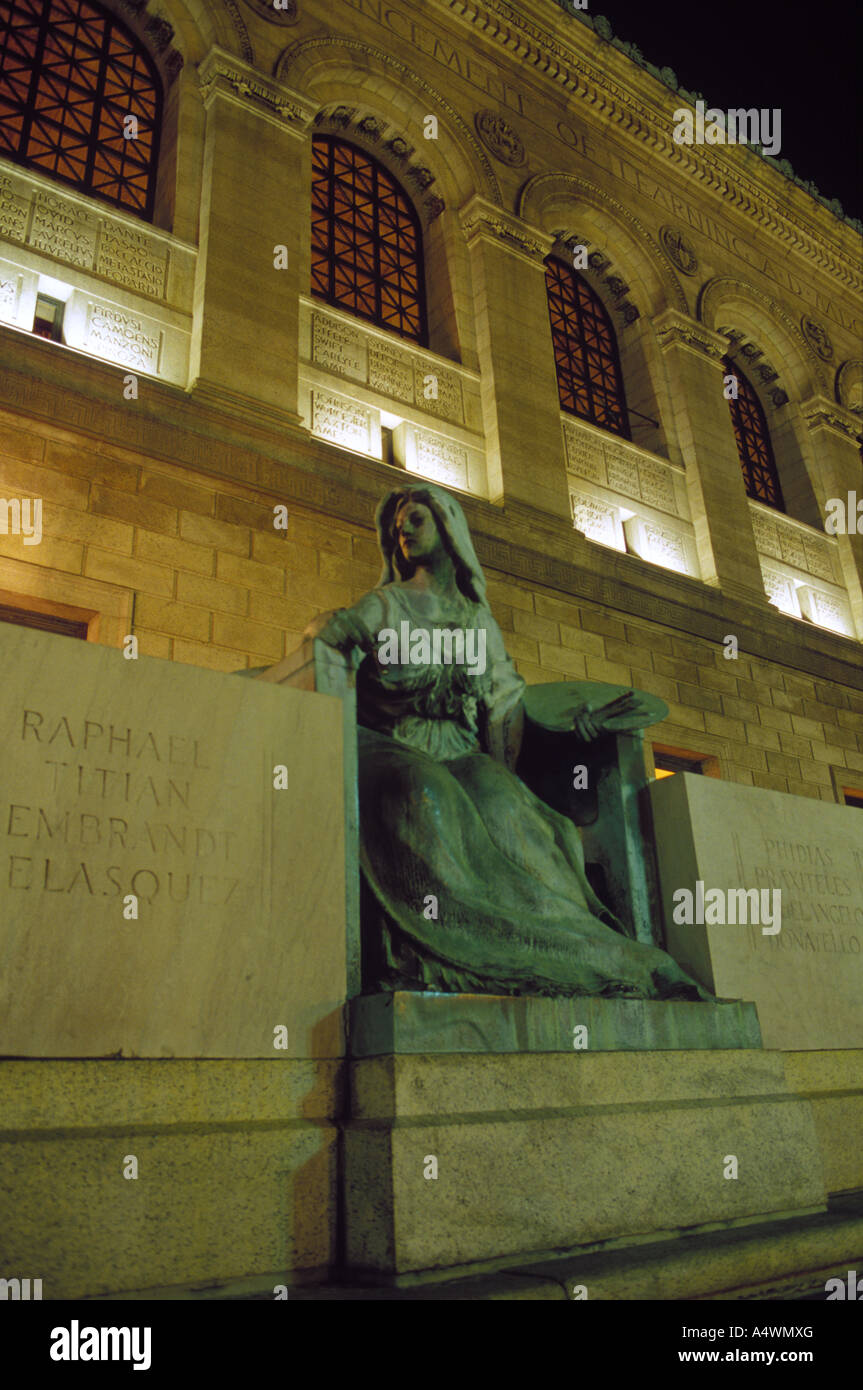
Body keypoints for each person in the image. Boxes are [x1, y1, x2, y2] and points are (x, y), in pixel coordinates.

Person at [306, 482, 709, 1000]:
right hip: (390, 749)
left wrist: (572, 728)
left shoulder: (478, 621)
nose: (402, 530)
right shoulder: (386, 606)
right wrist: (325, 631)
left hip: (461, 755)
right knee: (427, 795)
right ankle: (467, 948)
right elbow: (329, 634)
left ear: (448, 528)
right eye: (397, 525)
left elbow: (507, 707)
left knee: (515, 815)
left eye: (415, 520)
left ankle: (607, 953)